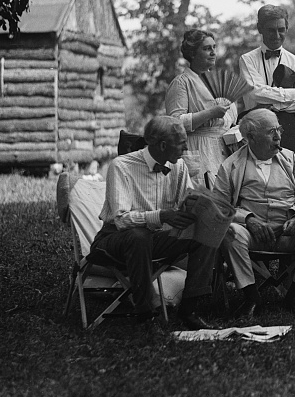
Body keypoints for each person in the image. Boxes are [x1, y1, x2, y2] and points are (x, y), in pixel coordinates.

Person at [89, 116, 219, 331]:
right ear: (162, 145)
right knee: (138, 236)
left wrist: (200, 208)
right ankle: (146, 315)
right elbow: (121, 220)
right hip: (114, 239)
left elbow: (183, 204)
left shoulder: (178, 167)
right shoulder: (122, 166)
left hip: (154, 238)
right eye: (181, 143)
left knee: (206, 235)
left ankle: (190, 310)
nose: (186, 147)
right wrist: (162, 216)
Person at [215, 109, 295, 320]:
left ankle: (294, 295)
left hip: (288, 234)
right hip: (252, 236)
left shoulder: (290, 160)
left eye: (279, 129)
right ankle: (251, 297)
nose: (278, 137)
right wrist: (249, 220)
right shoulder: (231, 165)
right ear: (250, 137)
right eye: (271, 132)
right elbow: (219, 207)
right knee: (230, 232)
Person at [239, 4, 295, 186]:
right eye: (270, 30)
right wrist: (294, 93)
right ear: (260, 29)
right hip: (258, 134)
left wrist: (269, 105)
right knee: (261, 184)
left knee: (294, 182)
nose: (276, 36)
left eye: (281, 30)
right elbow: (256, 92)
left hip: (292, 132)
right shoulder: (247, 60)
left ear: (287, 28)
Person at [165, 29, 238, 180]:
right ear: (192, 53)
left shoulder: (219, 82)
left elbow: (229, 121)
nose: (213, 52)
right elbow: (174, 124)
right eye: (206, 48)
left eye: (214, 47)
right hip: (199, 151)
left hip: (225, 152)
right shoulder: (182, 82)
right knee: (203, 199)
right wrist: (210, 113)